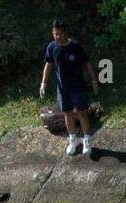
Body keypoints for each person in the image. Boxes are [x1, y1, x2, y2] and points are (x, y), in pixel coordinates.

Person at [40, 20, 98, 156]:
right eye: (55, 34)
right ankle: (72, 139)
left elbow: (87, 63)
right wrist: (44, 83)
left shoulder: (76, 46)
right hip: (62, 88)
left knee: (82, 112)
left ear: (65, 33)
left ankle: (87, 139)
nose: (58, 36)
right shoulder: (52, 47)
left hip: (77, 86)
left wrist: (94, 80)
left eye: (60, 33)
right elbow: (48, 65)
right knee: (67, 113)